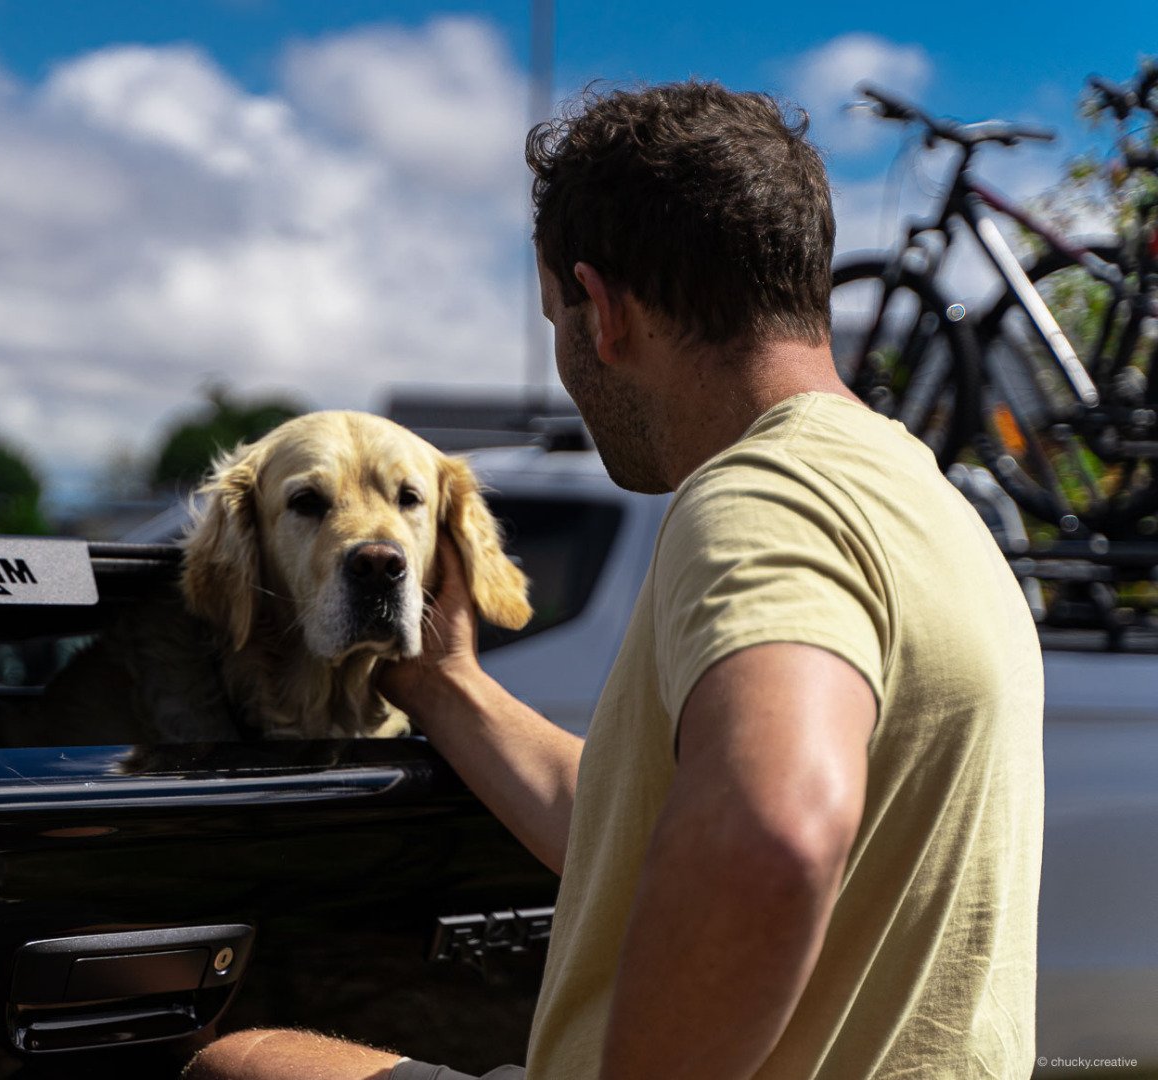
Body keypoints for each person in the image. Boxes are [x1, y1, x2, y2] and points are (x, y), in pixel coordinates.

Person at [185, 81, 1043, 1080]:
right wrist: (440, 680)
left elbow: (774, 834)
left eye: (556, 318)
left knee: (235, 1066)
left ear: (602, 309)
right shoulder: (923, 494)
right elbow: (634, 827)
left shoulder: (757, 499)